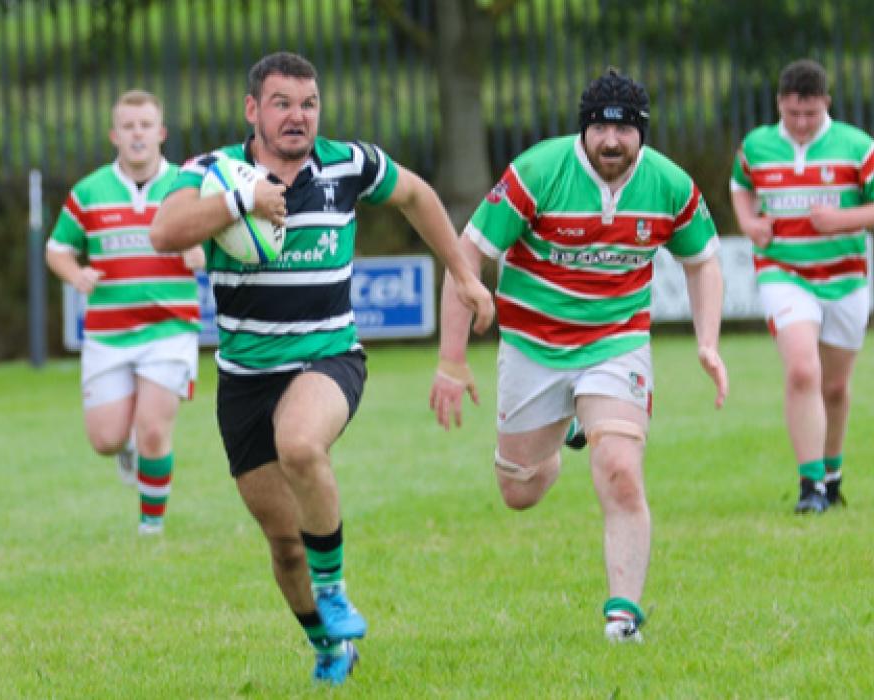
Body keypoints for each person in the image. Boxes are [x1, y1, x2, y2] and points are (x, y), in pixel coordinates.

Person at [150, 52, 494, 685]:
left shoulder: (349, 163)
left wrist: (465, 276)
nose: (297, 117)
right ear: (252, 110)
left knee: (302, 445)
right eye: (282, 104)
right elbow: (164, 232)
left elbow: (416, 194)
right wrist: (240, 201)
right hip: (246, 378)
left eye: (308, 105)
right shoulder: (211, 173)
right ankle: (329, 645)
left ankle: (334, 589)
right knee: (283, 546)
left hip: (328, 356)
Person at [429, 68, 729, 643]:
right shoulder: (538, 172)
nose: (611, 141)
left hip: (616, 342)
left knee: (619, 469)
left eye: (624, 130)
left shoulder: (669, 184)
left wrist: (708, 342)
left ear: (642, 133)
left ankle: (623, 617)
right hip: (533, 346)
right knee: (518, 491)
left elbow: (704, 260)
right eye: (599, 128)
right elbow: (466, 259)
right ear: (583, 130)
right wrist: (452, 359)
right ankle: (565, 430)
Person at [46, 89, 204, 536]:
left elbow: (222, 239)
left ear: (161, 133)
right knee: (106, 439)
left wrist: (202, 253)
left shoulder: (187, 188)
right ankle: (127, 447)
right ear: (116, 135)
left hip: (169, 327)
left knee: (155, 429)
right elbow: (57, 249)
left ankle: (150, 529)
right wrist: (75, 275)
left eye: (146, 126)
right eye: (129, 127)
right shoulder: (90, 191)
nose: (138, 134)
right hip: (108, 332)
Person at [730, 59, 874, 514]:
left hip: (845, 278)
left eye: (810, 114)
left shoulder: (856, 146)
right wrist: (750, 223)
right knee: (801, 371)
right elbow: (739, 186)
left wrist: (841, 221)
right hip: (783, 273)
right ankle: (810, 484)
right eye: (793, 113)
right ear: (780, 105)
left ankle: (832, 475)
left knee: (834, 386)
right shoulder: (757, 145)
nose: (801, 123)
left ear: (826, 104)